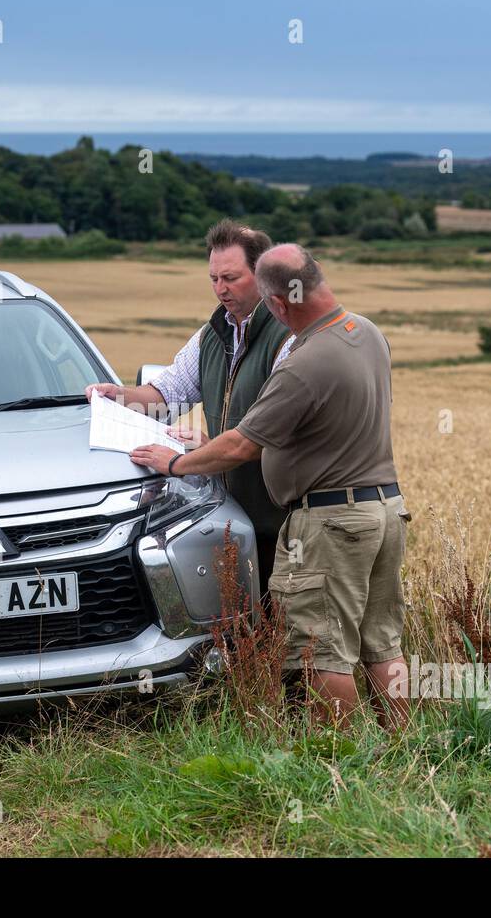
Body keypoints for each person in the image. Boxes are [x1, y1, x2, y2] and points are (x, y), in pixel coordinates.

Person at [128, 244, 410, 730]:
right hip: (384, 511)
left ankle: (340, 759)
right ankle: (404, 746)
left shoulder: (304, 362)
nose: (220, 290)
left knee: (321, 651)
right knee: (381, 642)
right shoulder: (366, 332)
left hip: (330, 522)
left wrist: (176, 462)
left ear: (278, 304)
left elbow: (241, 445)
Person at [85, 219, 294, 598]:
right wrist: (117, 396)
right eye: (213, 278)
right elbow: (165, 396)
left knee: (291, 636)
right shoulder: (211, 336)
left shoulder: (288, 339)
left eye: (230, 278)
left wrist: (198, 449)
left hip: (284, 522)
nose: (220, 289)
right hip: (231, 518)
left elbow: (271, 434)